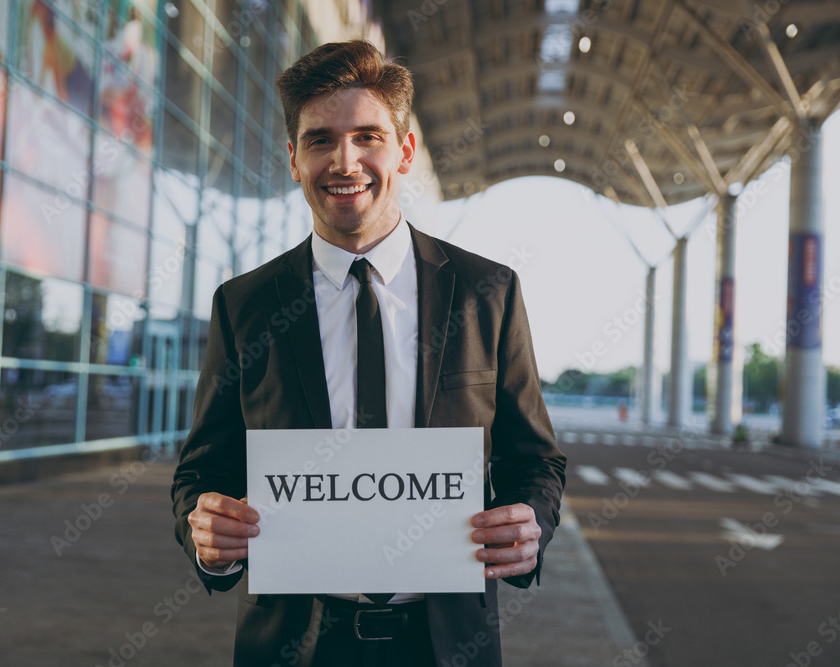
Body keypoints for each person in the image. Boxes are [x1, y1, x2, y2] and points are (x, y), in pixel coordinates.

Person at [171, 40, 566, 667]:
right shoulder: (243, 306)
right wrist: (204, 530)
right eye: (321, 140)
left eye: (368, 137)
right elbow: (201, 472)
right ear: (293, 159)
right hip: (293, 644)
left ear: (404, 150)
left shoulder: (487, 292)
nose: (345, 161)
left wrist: (530, 527)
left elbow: (536, 461)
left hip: (446, 643)